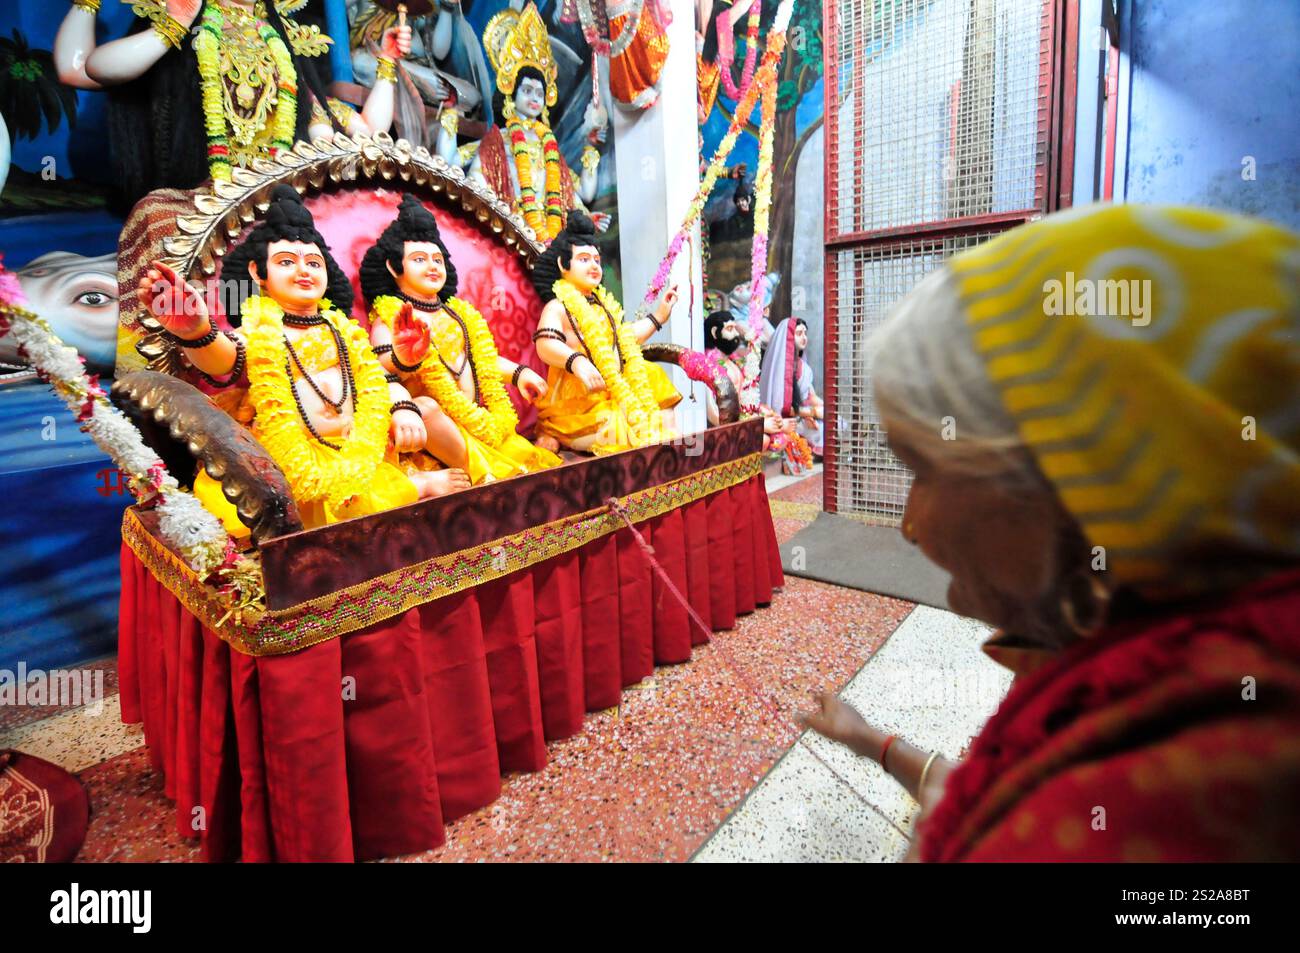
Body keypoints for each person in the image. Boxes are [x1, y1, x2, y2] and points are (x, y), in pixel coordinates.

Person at [802, 204, 1300, 861]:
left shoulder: (1161, 802)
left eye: (924, 469)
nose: (911, 524)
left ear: (1076, 479)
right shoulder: (1161, 664)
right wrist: (872, 741)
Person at [137, 184, 467, 537]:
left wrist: (401, 389)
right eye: (286, 263)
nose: (304, 271)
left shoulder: (343, 329)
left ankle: (413, 484)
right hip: (290, 454)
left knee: (405, 430)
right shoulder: (262, 330)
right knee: (281, 498)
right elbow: (225, 361)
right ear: (256, 272)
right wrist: (196, 332)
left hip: (357, 447)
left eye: (313, 263)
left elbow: (373, 376)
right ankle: (412, 488)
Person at [53, 0, 411, 207]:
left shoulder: (279, 50)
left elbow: (365, 132)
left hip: (276, 208)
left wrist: (386, 61)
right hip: (195, 205)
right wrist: (173, 26)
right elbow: (85, 69)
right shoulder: (184, 23)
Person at [360, 193, 561, 483]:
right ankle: (478, 471)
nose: (432, 267)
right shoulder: (391, 317)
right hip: (437, 433)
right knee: (425, 409)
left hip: (476, 421)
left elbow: (481, 361)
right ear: (394, 267)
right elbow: (379, 369)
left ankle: (487, 465)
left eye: (437, 260)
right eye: (419, 259)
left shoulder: (458, 314)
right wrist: (403, 358)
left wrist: (519, 373)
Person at [528, 210, 680, 453]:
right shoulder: (558, 307)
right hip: (578, 403)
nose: (594, 266)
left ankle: (672, 457)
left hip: (612, 391)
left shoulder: (603, 306)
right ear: (563, 265)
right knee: (622, 426)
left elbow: (623, 339)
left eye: (597, 260)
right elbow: (545, 345)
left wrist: (659, 316)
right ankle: (554, 432)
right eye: (584, 259)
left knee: (653, 377)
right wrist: (577, 362)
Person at [468, 2, 609, 241]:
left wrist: (591, 151)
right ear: (512, 93)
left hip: (550, 240)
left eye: (539, 93)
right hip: (510, 234)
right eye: (527, 91)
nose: (534, 99)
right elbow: (475, 180)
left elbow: (580, 194)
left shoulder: (549, 145)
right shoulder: (498, 141)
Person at [758, 315, 823, 457]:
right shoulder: (779, 368)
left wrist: (825, 410)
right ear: (787, 338)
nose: (804, 337)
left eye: (805, 333)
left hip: (799, 417)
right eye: (799, 334)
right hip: (781, 421)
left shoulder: (804, 367)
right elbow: (780, 407)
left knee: (835, 421)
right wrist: (811, 412)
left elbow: (811, 396)